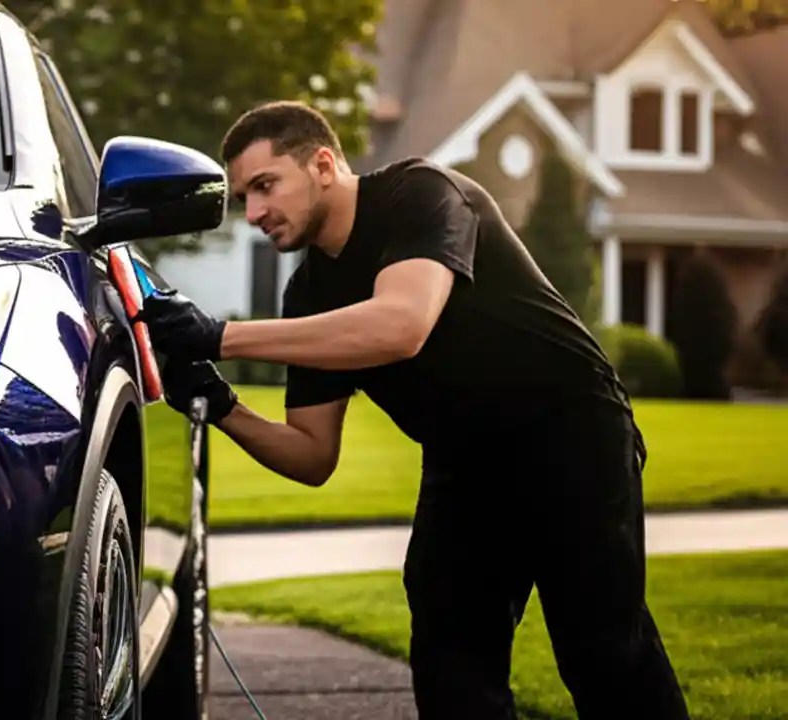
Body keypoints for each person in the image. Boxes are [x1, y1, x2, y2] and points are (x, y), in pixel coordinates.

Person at [138, 100, 690, 719]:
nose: (256, 212)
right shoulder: (310, 293)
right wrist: (223, 404)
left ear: (323, 164)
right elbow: (312, 454)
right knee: (451, 663)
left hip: (571, 437)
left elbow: (402, 325)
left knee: (604, 654)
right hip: (464, 468)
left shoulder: (421, 194)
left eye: (265, 186)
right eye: (245, 197)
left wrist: (220, 336)